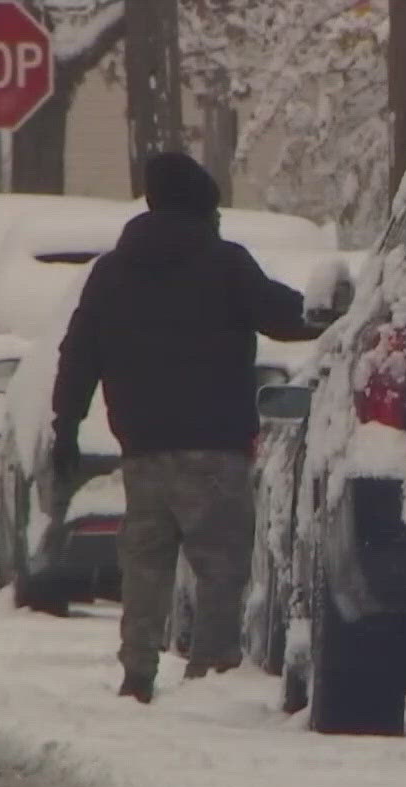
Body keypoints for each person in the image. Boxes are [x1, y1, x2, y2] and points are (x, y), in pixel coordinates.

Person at [51, 152, 321, 704]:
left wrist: (66, 425)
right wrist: (332, 311)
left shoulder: (111, 273)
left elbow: (78, 354)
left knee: (145, 568)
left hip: (143, 449)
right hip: (215, 448)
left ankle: (138, 673)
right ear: (203, 208)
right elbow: (284, 316)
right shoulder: (225, 264)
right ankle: (210, 674)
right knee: (220, 568)